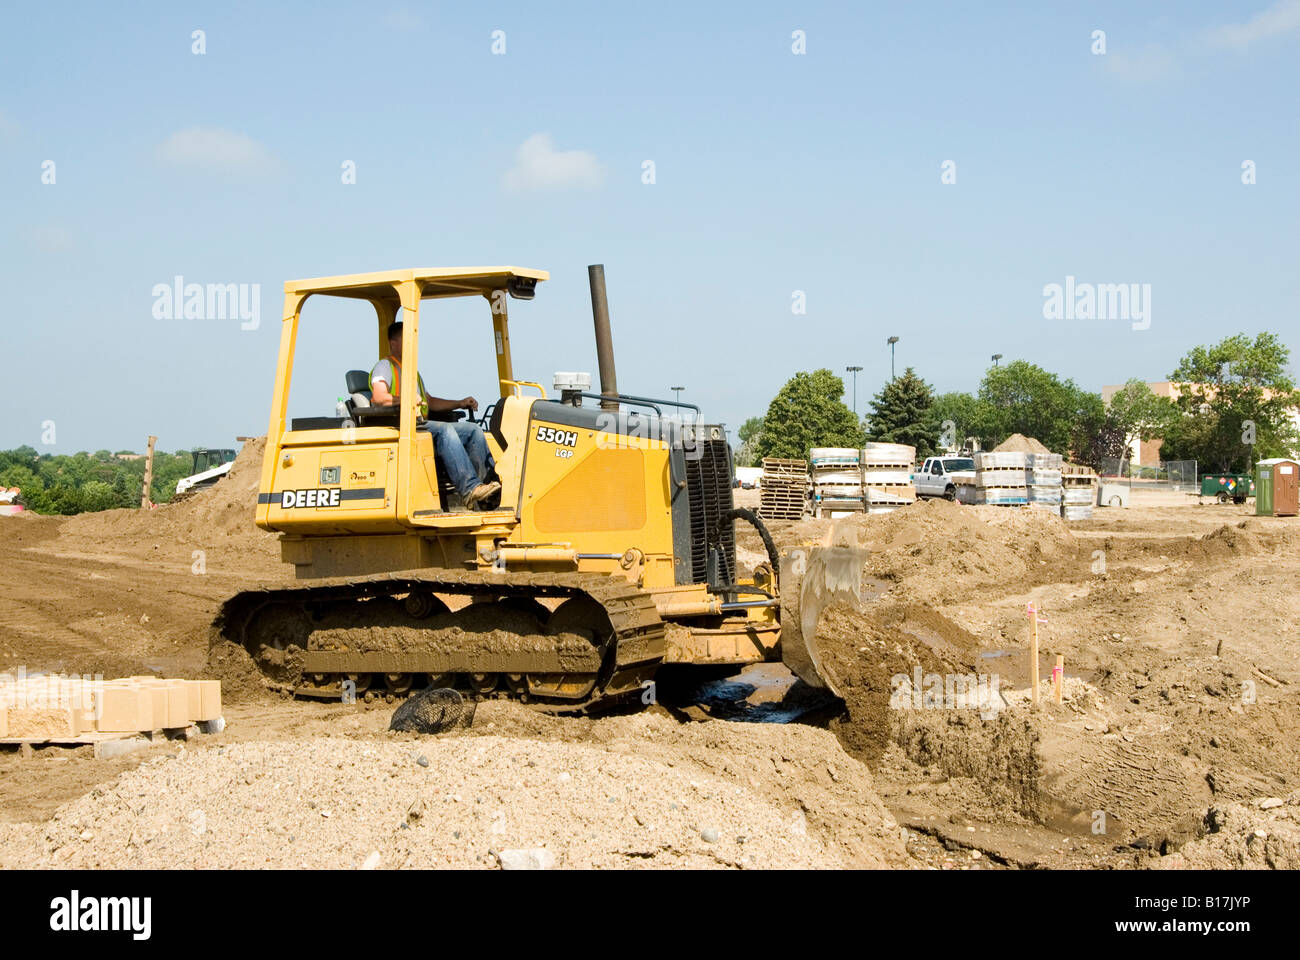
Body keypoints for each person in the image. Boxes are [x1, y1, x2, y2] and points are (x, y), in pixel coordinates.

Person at [369, 322, 501, 509]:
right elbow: (378, 397)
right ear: (393, 344)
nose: (412, 345)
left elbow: (429, 402)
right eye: (406, 340)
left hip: (420, 424)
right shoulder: (384, 366)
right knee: (445, 430)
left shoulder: (411, 371)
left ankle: (490, 489)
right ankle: (470, 489)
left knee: (472, 430)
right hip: (402, 425)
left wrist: (460, 402)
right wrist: (405, 399)